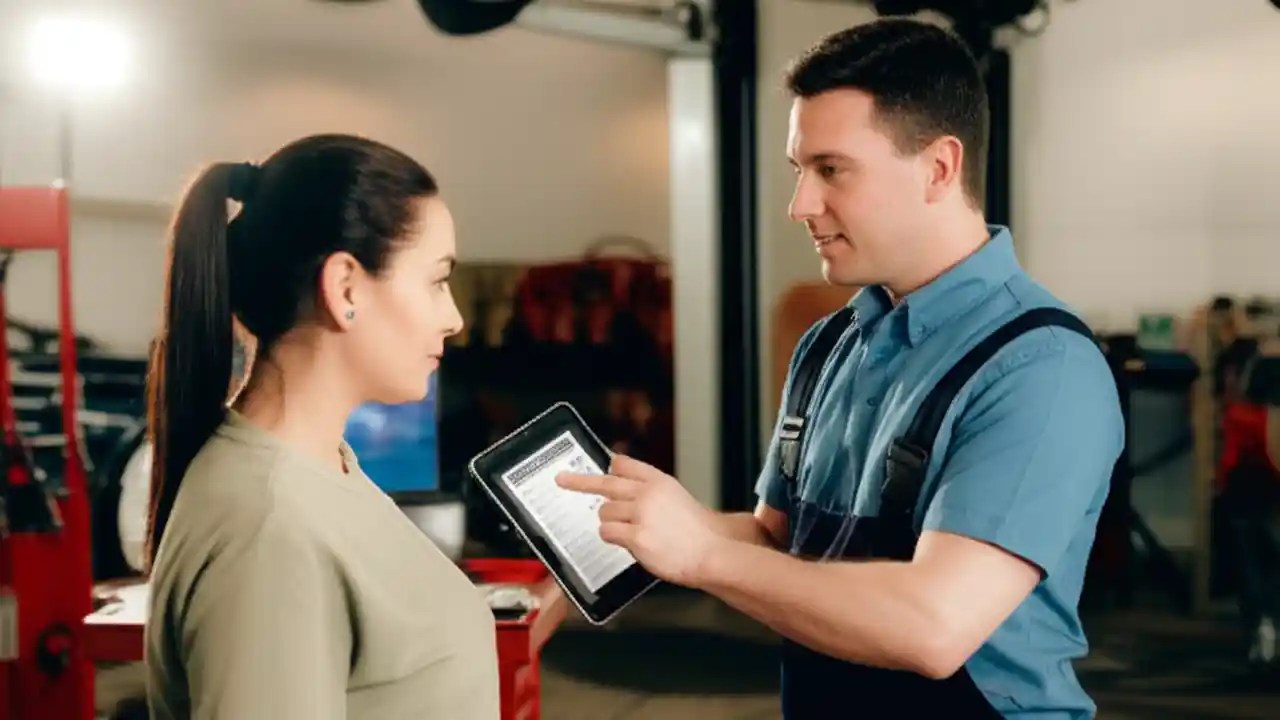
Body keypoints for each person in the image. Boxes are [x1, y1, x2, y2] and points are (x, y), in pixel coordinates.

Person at [558, 18, 1124, 719]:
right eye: (801, 170)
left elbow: (934, 626)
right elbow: (780, 542)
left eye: (831, 170)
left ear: (939, 168)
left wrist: (702, 556)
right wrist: (667, 526)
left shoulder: (1041, 368)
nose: (801, 206)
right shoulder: (829, 344)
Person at [144, 134, 499, 719]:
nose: (454, 317)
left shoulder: (321, 469)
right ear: (345, 288)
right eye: (437, 281)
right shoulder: (268, 528)